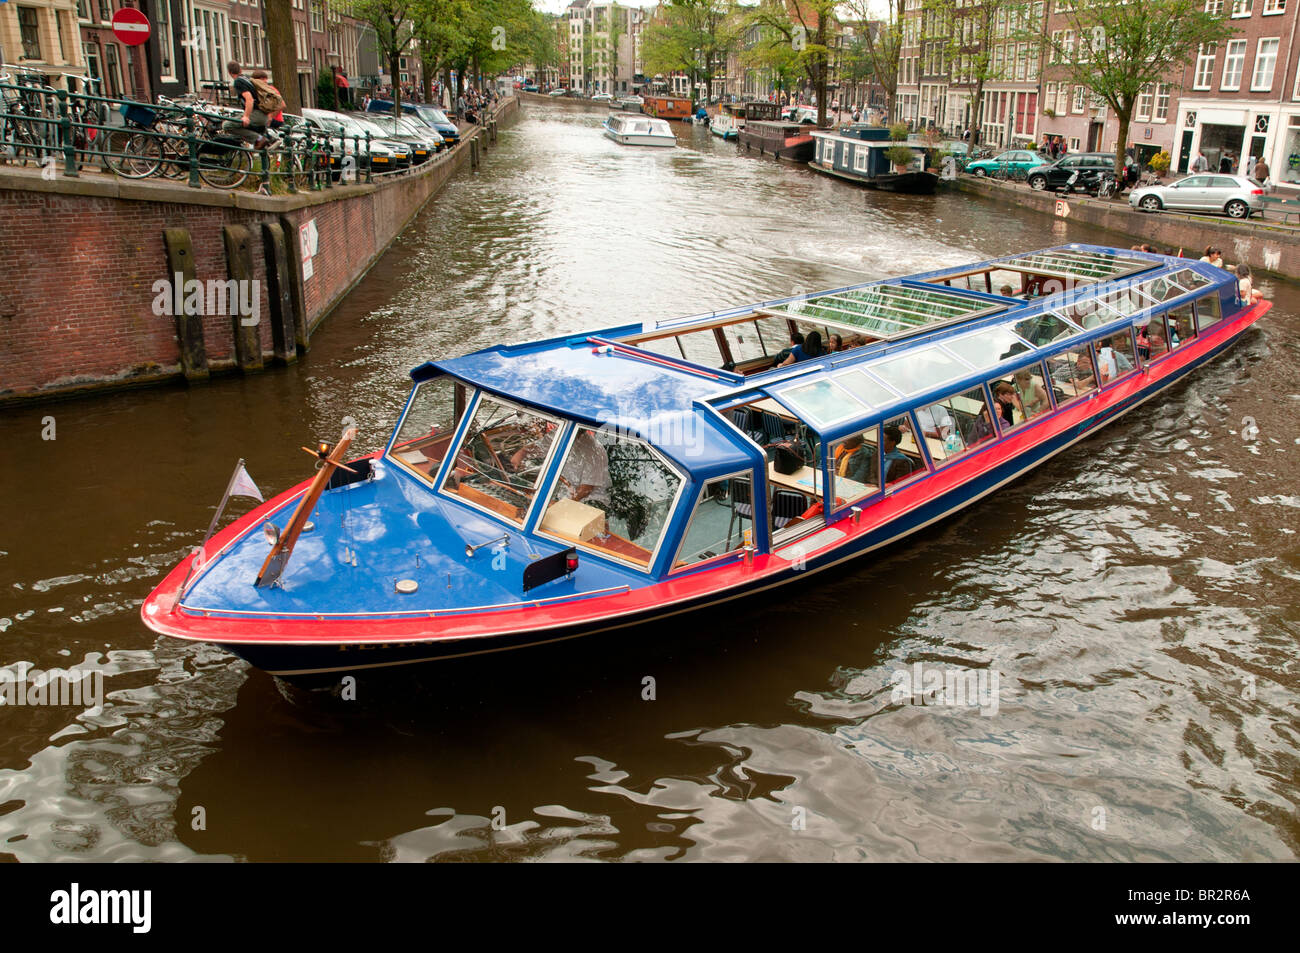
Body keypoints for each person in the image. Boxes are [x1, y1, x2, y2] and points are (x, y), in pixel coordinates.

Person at [556, 429, 611, 510]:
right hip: (561, 497)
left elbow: (584, 490)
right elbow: (537, 449)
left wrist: (559, 508)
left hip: (585, 506)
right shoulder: (560, 433)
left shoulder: (594, 450)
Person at [222, 61, 269, 149]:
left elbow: (249, 99)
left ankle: (259, 138)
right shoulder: (247, 78)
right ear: (240, 70)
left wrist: (246, 116)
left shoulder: (238, 82)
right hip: (263, 114)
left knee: (227, 125)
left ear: (229, 72)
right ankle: (270, 139)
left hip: (256, 114)